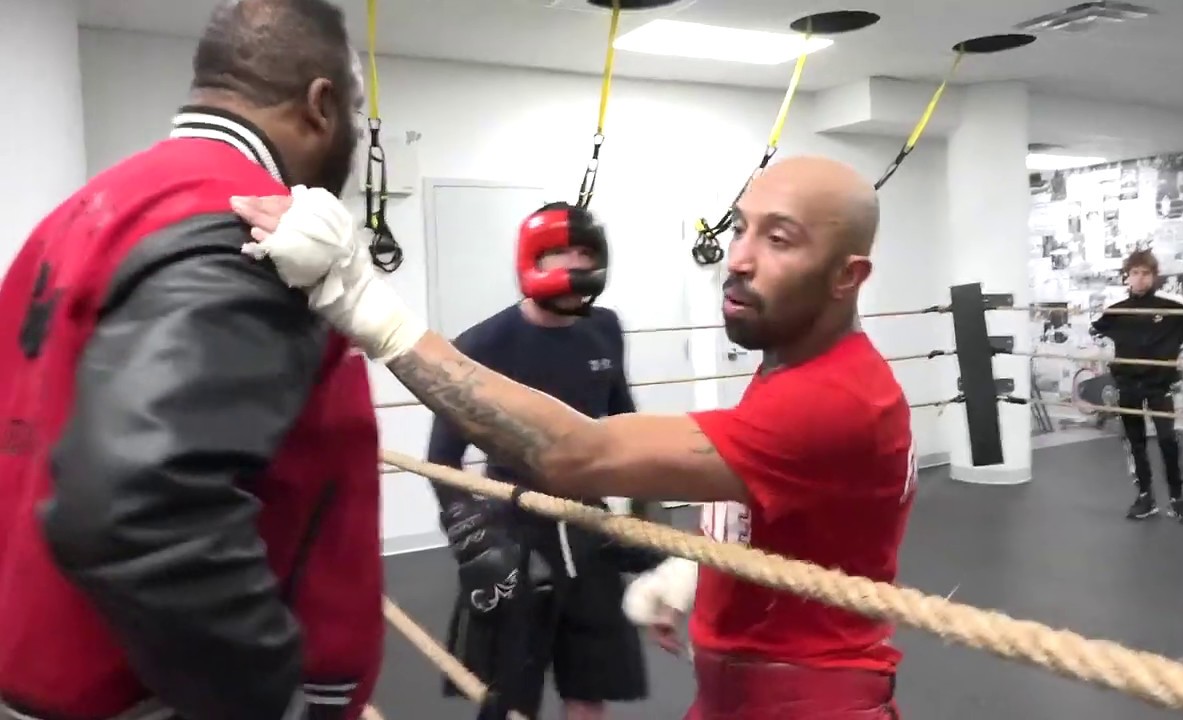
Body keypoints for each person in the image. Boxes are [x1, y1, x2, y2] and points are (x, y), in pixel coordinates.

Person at [233, 154, 918, 719]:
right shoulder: (800, 373)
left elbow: (584, 451)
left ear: (847, 277)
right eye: (740, 228)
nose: (738, 258)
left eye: (780, 239)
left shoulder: (833, 400)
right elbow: (793, 504)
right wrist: (702, 567)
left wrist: (363, 303)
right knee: (510, 691)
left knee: (588, 685)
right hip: (733, 680)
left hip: (804, 700)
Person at [0, 2, 383, 720]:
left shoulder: (91, 208)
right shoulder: (251, 229)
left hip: (47, 670)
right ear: (321, 105)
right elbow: (137, 509)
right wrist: (271, 705)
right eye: (356, 118)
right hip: (152, 696)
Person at [430, 202, 663, 720]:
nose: (579, 265)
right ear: (534, 259)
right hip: (514, 529)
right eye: (564, 252)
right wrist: (475, 540)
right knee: (509, 698)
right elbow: (441, 458)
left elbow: (624, 425)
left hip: (588, 525)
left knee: (591, 689)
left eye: (586, 253)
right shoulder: (483, 344)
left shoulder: (605, 328)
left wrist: (643, 515)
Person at [1091, 249, 1183, 524]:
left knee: (1168, 440)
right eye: (1135, 273)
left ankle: (1177, 500)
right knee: (1135, 442)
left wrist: (1171, 346)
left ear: (1154, 276)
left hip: (1158, 386)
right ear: (1127, 277)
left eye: (1145, 273)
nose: (1140, 278)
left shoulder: (1170, 307)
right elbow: (1097, 328)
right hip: (1128, 385)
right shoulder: (1117, 311)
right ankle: (1145, 497)